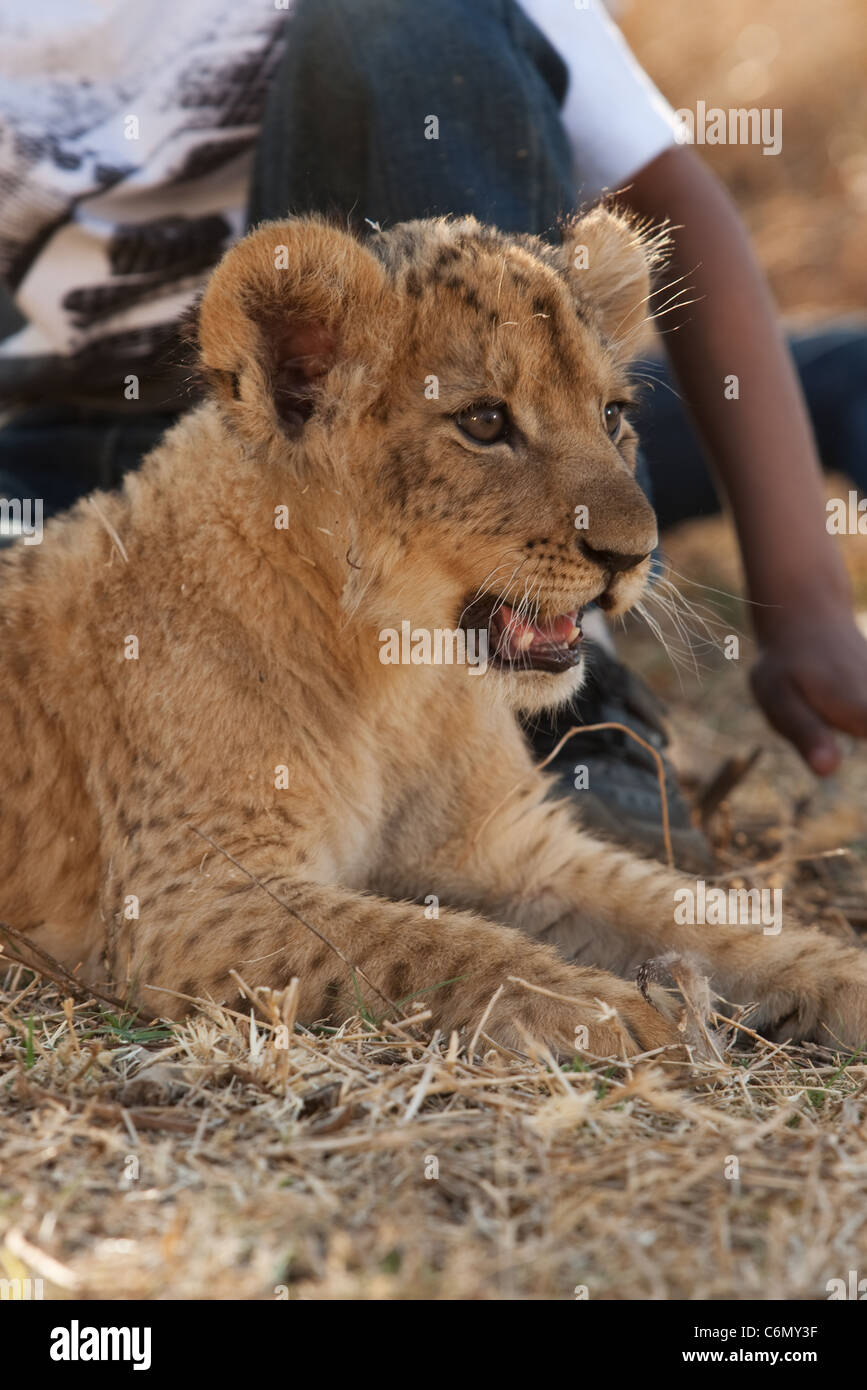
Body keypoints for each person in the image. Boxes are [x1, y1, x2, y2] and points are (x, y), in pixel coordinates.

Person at [1, 0, 866, 864]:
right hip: (93, 448)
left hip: (457, 420)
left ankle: (576, 704)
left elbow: (671, 199)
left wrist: (806, 603)